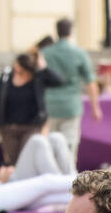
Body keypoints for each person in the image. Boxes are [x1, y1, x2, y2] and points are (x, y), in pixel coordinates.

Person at [41, 19, 102, 162]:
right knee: (69, 147)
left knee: (50, 149)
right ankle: (67, 181)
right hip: (71, 106)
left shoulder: (45, 53)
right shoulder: (79, 53)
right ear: (71, 32)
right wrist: (95, 108)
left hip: (49, 105)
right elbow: (90, 83)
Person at [0, 51, 64, 166]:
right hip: (9, 128)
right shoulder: (6, 78)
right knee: (11, 162)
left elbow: (58, 81)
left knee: (27, 159)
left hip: (32, 127)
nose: (17, 68)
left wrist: (43, 66)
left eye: (20, 66)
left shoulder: (38, 77)